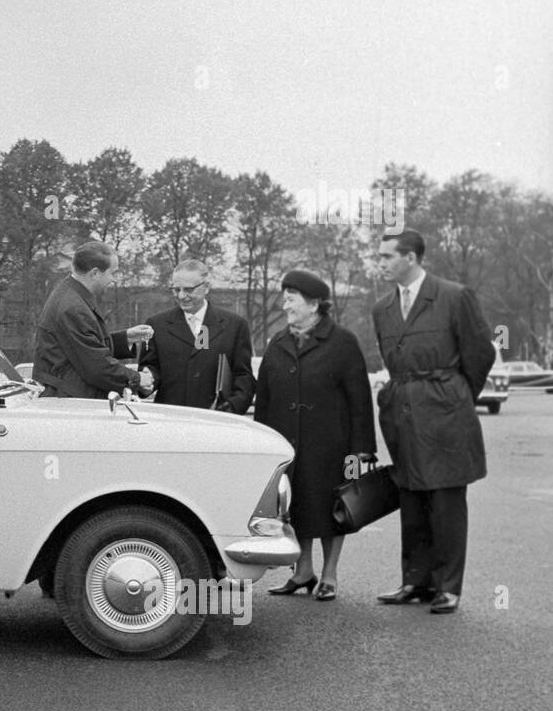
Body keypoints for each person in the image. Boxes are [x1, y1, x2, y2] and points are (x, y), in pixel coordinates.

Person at [373, 230, 494, 614]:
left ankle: (447, 586)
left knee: (445, 499)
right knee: (410, 496)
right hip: (403, 413)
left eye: (387, 256)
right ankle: (416, 581)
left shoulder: (454, 297)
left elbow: (481, 353)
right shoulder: (382, 308)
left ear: (411, 258)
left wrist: (455, 395)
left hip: (445, 411)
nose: (381, 263)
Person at [256, 271, 375, 601]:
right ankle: (303, 572)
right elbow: (264, 398)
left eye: (291, 299)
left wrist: (361, 450)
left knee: (334, 509)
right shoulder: (278, 342)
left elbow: (360, 400)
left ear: (314, 305)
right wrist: (263, 444)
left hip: (331, 445)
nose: (285, 305)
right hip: (288, 444)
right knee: (297, 508)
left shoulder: (342, 342)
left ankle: (330, 575)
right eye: (285, 298)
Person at [32, 241, 154, 399]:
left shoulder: (70, 295)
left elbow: (82, 347)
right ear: (95, 273)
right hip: (71, 403)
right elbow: (96, 367)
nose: (114, 279)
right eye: (112, 273)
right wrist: (137, 379)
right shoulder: (73, 307)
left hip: (68, 397)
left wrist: (126, 338)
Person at [133, 259, 254, 412]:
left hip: (217, 422)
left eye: (188, 290)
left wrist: (231, 408)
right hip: (171, 421)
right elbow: (150, 369)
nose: (182, 296)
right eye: (176, 290)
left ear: (206, 287)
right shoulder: (156, 325)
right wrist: (146, 381)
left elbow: (244, 377)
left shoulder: (235, 326)